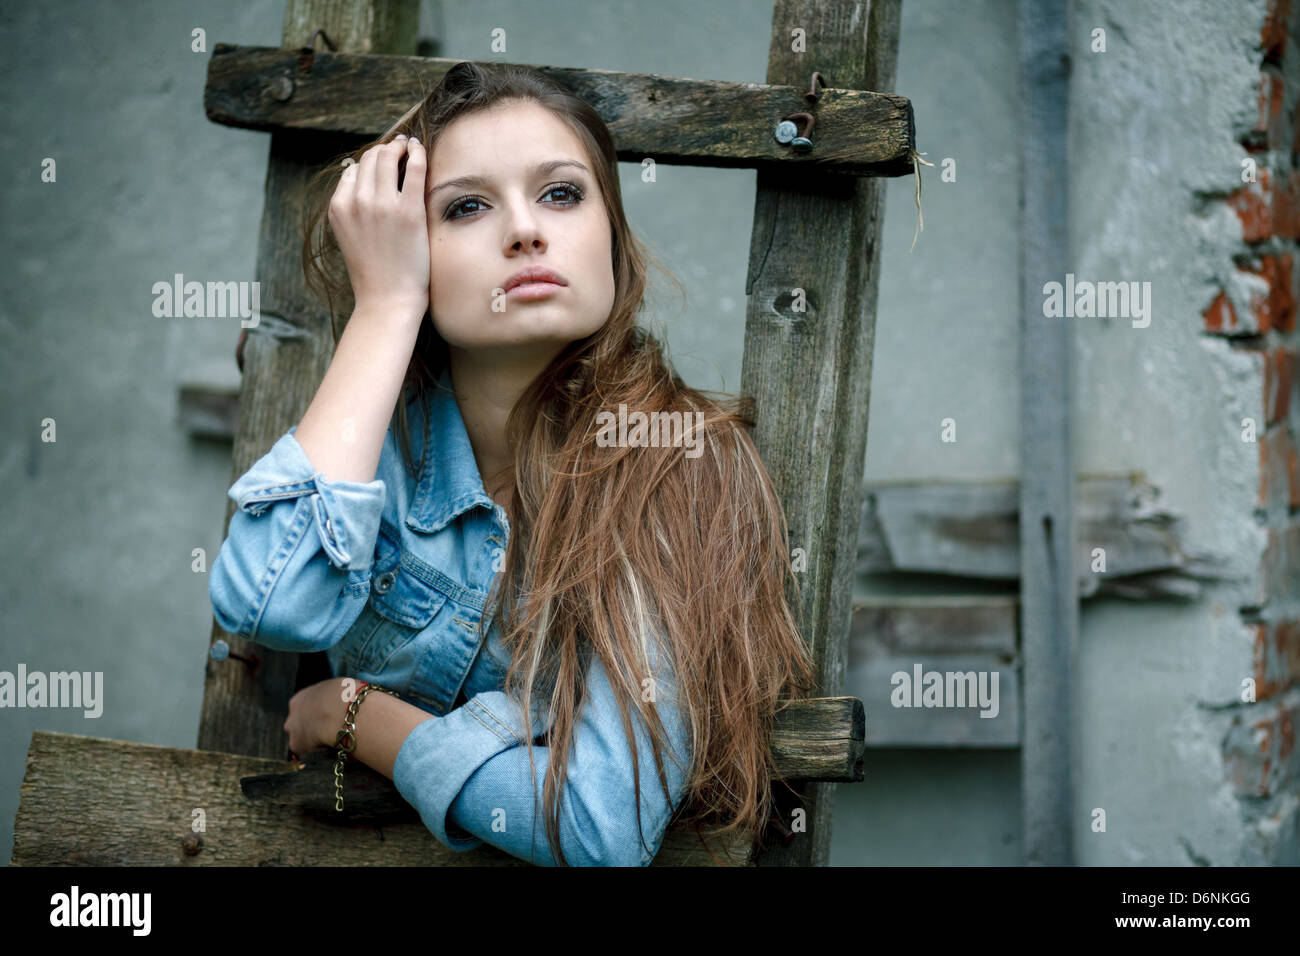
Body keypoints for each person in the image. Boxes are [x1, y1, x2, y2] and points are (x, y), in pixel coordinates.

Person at [209, 60, 815, 866]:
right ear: (410, 252)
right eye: (465, 207)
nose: (526, 230)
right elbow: (267, 606)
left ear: (611, 233)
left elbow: (601, 823)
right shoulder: (375, 451)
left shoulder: (676, 465)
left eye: (562, 193)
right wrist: (385, 309)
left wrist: (365, 719)